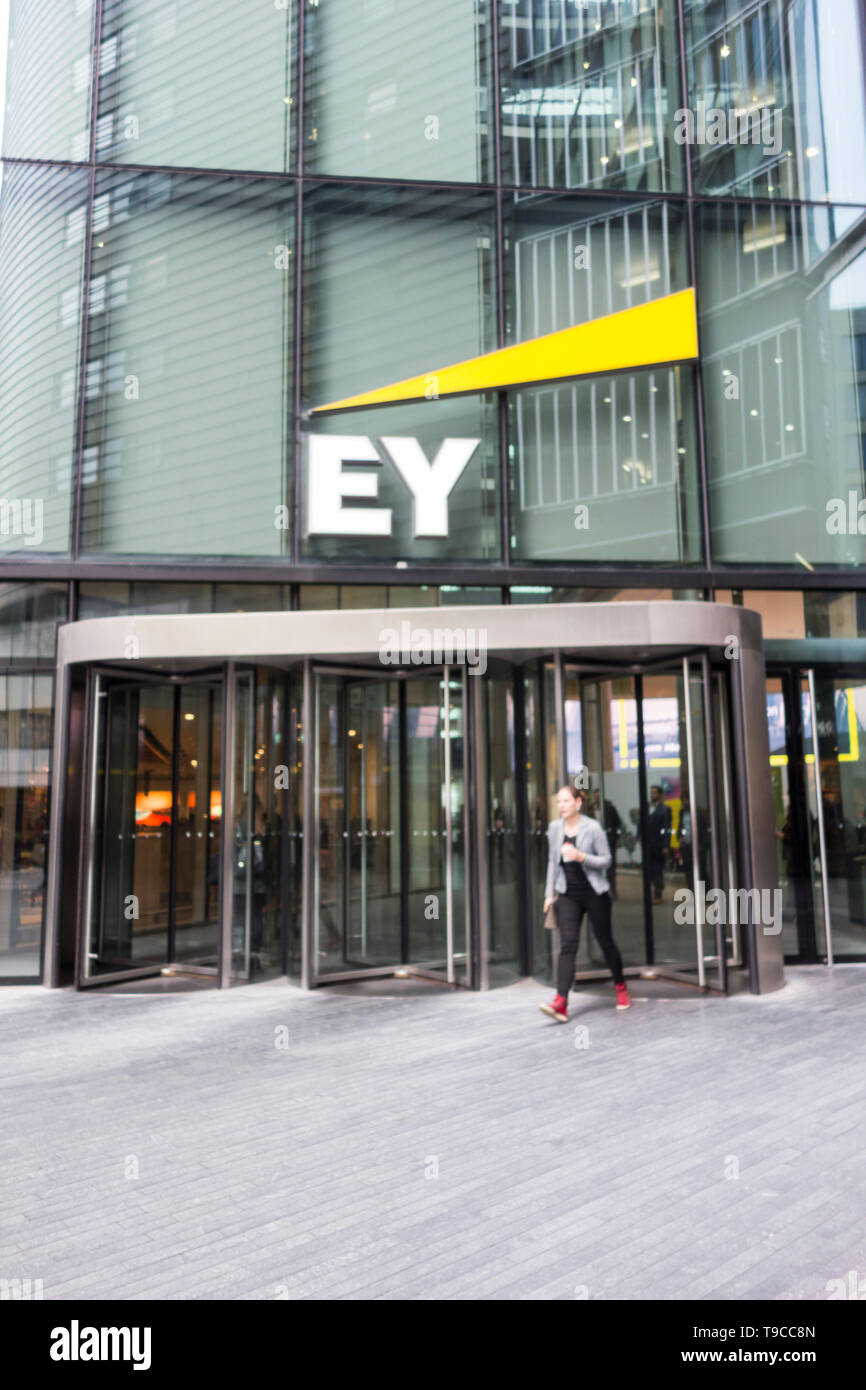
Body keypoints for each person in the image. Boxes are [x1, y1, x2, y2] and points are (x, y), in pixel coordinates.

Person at [540, 785, 631, 1022]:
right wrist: (549, 894)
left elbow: (607, 861)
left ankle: (621, 988)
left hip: (594, 892)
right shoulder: (554, 828)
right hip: (568, 894)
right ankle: (561, 1001)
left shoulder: (593, 828)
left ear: (578, 802)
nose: (561, 806)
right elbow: (552, 862)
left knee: (605, 941)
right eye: (558, 802)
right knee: (568, 944)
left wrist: (582, 857)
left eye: (566, 801)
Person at [646, 784, 671, 902]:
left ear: (660, 795)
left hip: (659, 844)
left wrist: (666, 845)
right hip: (648, 844)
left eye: (655, 792)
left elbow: (667, 828)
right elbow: (643, 821)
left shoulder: (665, 809)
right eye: (651, 792)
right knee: (650, 869)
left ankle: (658, 893)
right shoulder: (648, 807)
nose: (652, 795)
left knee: (657, 869)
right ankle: (654, 891)